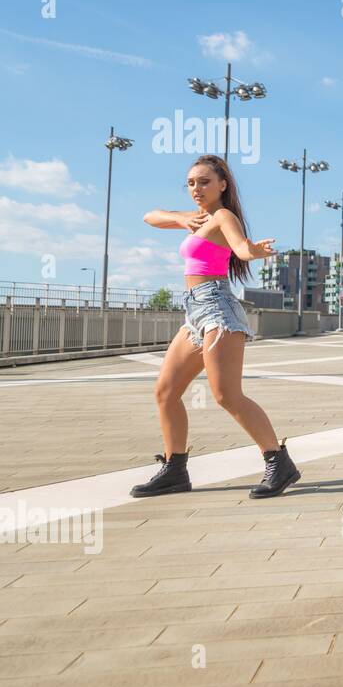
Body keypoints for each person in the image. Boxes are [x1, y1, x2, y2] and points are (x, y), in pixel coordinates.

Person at [131, 154, 303, 500]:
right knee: (165, 392)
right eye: (192, 182)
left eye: (204, 181)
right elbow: (150, 216)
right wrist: (183, 220)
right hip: (194, 311)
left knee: (226, 395)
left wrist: (253, 250)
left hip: (217, 309)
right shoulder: (197, 218)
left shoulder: (223, 216)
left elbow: (240, 248)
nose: (196, 188)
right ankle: (174, 469)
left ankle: (278, 461)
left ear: (223, 185)